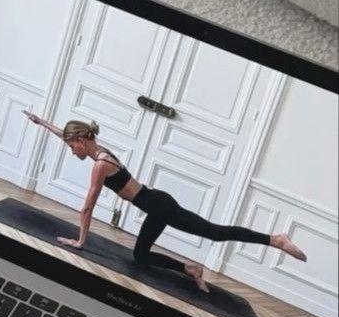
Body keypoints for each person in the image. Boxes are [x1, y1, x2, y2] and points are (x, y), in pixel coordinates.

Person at [23, 112, 306, 292]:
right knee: (141, 256)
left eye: (72, 146)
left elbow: (87, 207)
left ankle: (275, 239)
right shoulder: (99, 149)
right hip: (155, 203)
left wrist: (81, 241)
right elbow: (66, 134)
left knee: (214, 233)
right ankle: (191, 269)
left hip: (159, 206)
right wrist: (42, 122)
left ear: (83, 141)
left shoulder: (99, 165)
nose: (71, 151)